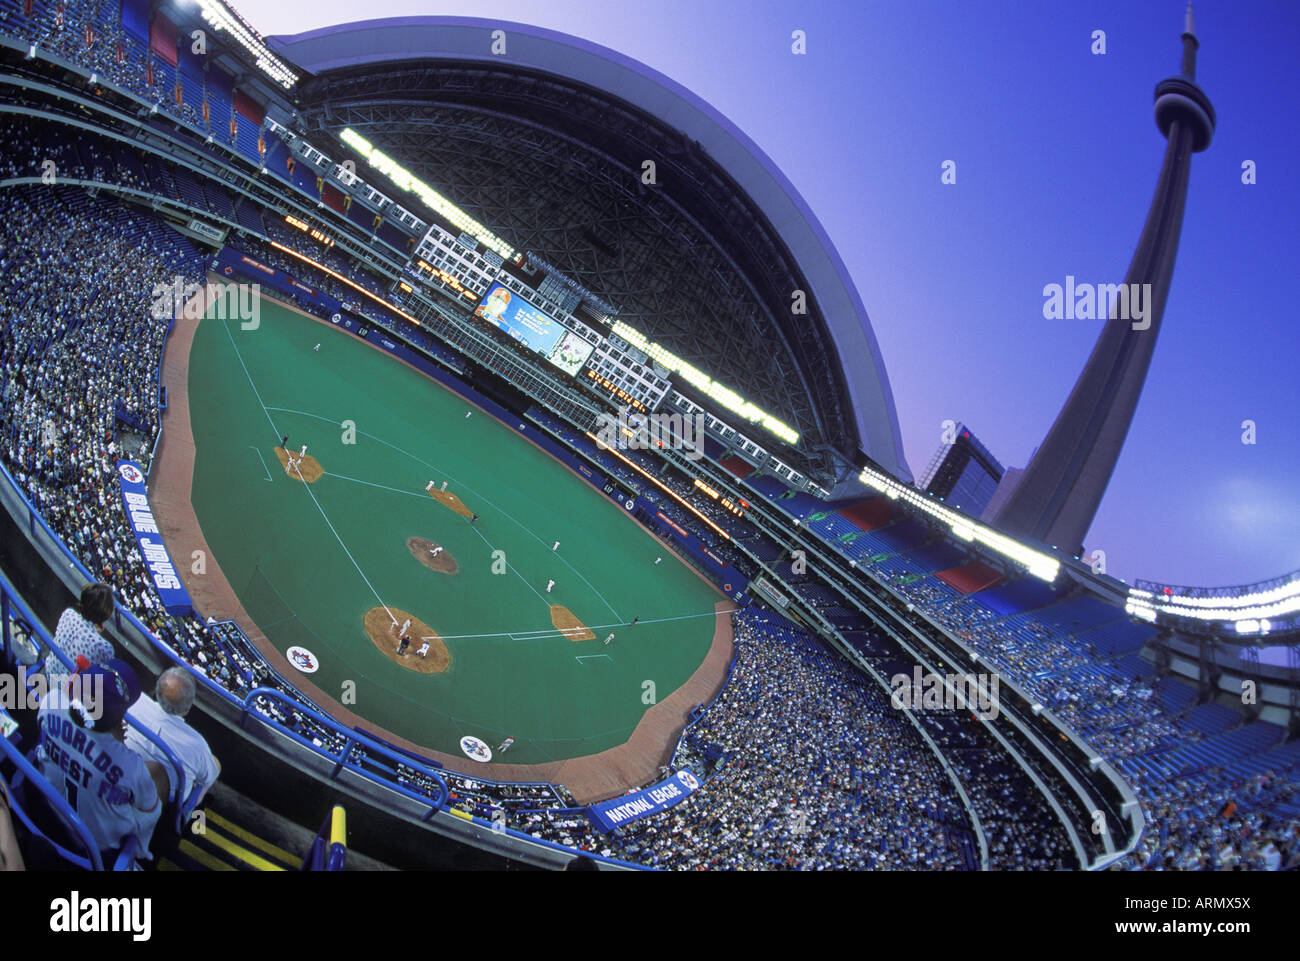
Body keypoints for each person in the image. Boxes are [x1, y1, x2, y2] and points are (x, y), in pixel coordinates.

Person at [36, 659, 168, 864]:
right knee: (158, 775)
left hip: (44, 812)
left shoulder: (52, 700)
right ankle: (142, 857)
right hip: (96, 851)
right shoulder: (129, 765)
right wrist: (115, 742)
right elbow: (148, 812)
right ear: (120, 717)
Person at [125, 667, 221, 814]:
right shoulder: (198, 745)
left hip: (125, 777)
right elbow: (207, 779)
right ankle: (186, 813)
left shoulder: (135, 700)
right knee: (214, 764)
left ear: (157, 692)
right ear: (187, 708)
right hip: (164, 804)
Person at [52, 582, 116, 666]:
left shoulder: (68, 613)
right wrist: (95, 633)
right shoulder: (104, 647)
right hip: (69, 679)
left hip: (50, 668)